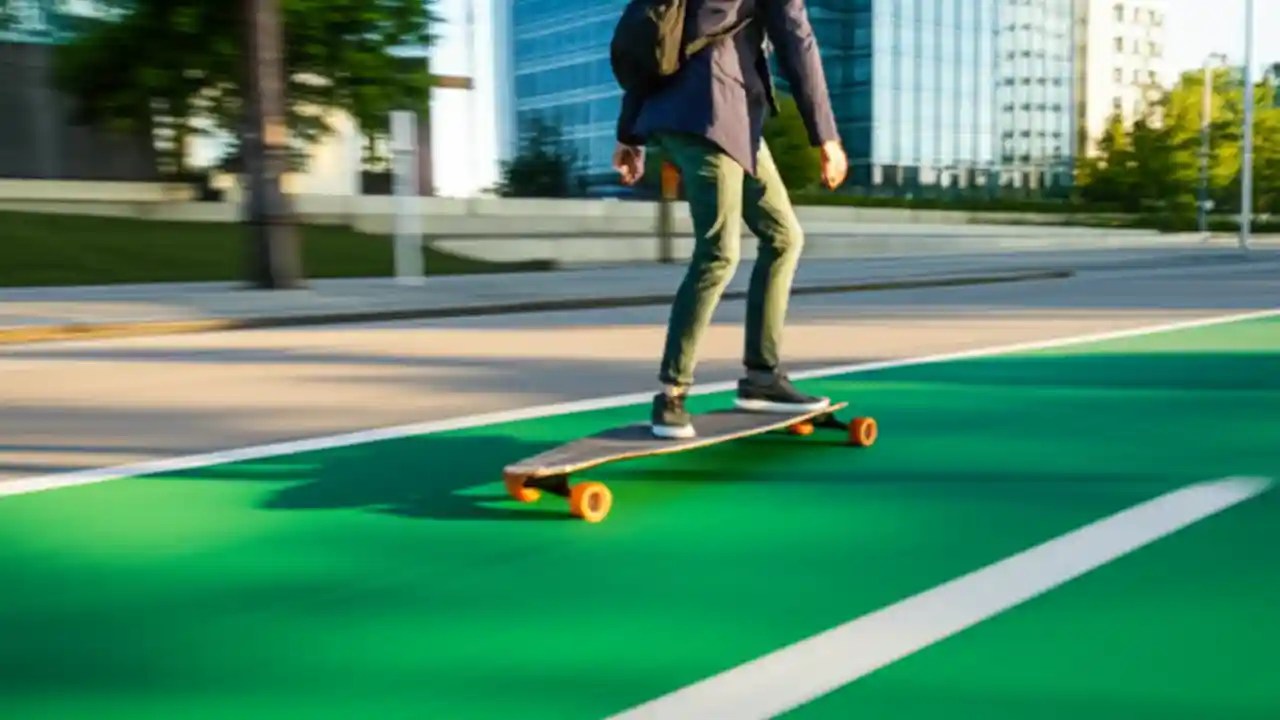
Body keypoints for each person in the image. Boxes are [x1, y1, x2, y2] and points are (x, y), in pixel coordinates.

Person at [612, 0, 847, 439]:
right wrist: (826, 136)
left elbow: (653, 37)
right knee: (719, 251)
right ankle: (671, 392)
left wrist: (630, 134)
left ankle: (762, 377)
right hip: (713, 113)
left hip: (704, 116)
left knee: (783, 236)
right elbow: (797, 39)